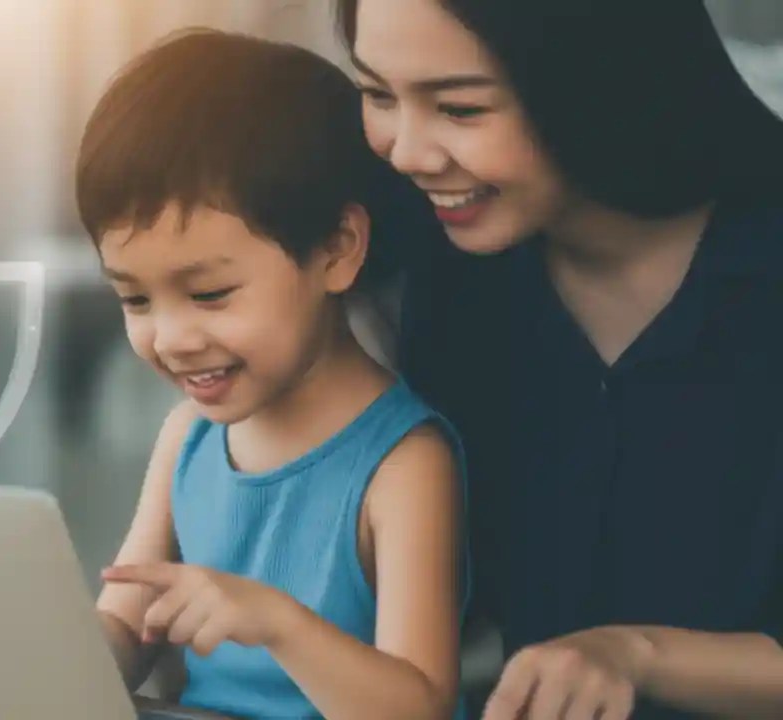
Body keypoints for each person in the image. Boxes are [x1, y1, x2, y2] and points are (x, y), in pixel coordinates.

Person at [334, 0, 783, 718]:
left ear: (598, 80)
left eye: (460, 108)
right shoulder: (438, 263)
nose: (408, 152)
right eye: (377, 94)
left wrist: (633, 655)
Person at [74, 29, 469, 720]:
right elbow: (123, 629)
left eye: (210, 295)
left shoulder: (405, 464)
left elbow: (420, 707)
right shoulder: (187, 439)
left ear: (337, 251)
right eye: (135, 299)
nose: (170, 338)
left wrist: (278, 624)